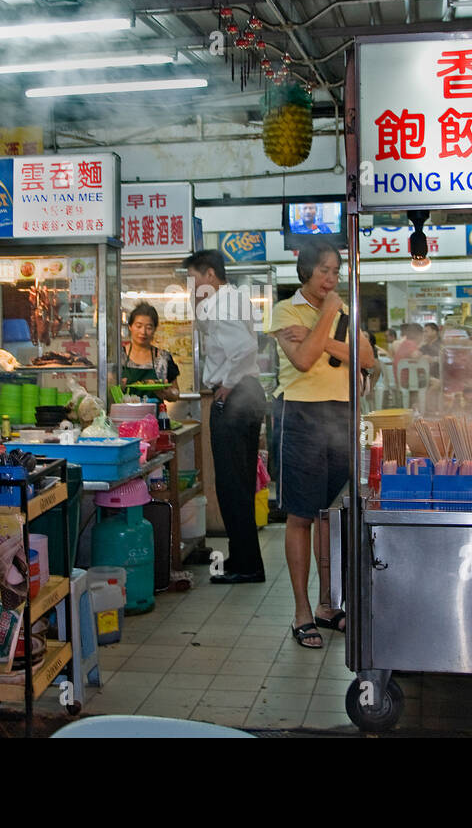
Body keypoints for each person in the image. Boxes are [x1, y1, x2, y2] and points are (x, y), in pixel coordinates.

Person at [270, 240, 375, 648]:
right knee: (301, 516)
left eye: (335, 272)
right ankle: (301, 611)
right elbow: (302, 360)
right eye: (324, 272)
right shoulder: (285, 311)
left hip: (341, 416)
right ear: (306, 272)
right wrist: (329, 319)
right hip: (300, 416)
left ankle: (327, 604)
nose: (331, 279)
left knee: (330, 514)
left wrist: (331, 338)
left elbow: (367, 359)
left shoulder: (344, 312)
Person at [185, 249, 266, 584]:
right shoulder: (231, 299)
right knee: (238, 484)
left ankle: (247, 565)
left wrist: (229, 385)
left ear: (210, 275)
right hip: (246, 394)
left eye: (193, 278)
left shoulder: (222, 302)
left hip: (236, 398)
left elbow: (245, 346)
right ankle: (243, 557)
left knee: (233, 484)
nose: (191, 285)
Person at [121, 302, 180, 402]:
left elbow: (176, 393)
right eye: (138, 326)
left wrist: (168, 393)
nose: (143, 332)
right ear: (130, 327)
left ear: (154, 329)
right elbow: (108, 391)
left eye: (149, 327)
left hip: (155, 416)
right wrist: (118, 387)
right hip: (126, 415)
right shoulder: (119, 356)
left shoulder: (163, 358)